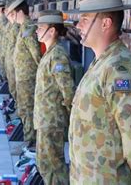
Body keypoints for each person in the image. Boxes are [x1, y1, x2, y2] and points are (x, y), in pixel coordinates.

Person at [67, 0, 131, 184]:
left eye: (85, 20)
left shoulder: (118, 68)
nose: (78, 25)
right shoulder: (101, 63)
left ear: (105, 23)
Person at [34, 10, 74, 184]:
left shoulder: (57, 55)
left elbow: (68, 90)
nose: (37, 30)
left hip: (52, 120)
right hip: (45, 119)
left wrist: (71, 118)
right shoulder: (50, 53)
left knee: (54, 164)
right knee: (44, 163)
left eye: (40, 27)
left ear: (52, 31)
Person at [10, 0, 41, 147]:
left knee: (28, 109)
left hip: (28, 77)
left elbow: (35, 53)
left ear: (20, 12)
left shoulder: (28, 28)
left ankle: (31, 142)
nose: (12, 17)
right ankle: (29, 139)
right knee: (24, 108)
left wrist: (40, 73)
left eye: (14, 13)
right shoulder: (23, 28)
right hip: (23, 76)